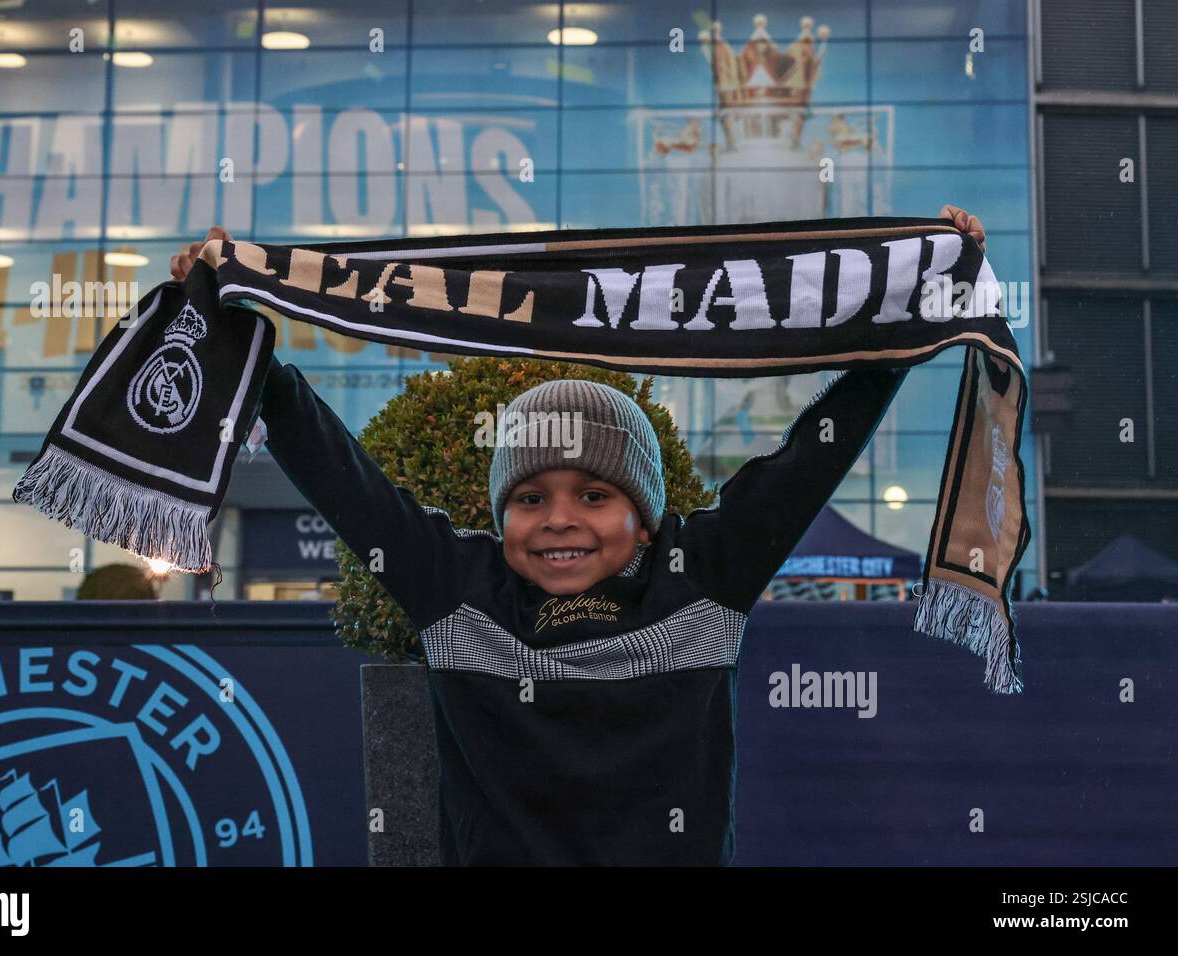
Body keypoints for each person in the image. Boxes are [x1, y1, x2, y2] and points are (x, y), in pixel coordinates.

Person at [167, 206, 986, 865]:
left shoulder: (702, 575)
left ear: (648, 516)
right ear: (499, 518)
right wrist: (253, 351)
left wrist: (910, 311)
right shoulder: (458, 590)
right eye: (527, 497)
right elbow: (343, 475)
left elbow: (813, 455)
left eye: (594, 493)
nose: (558, 518)